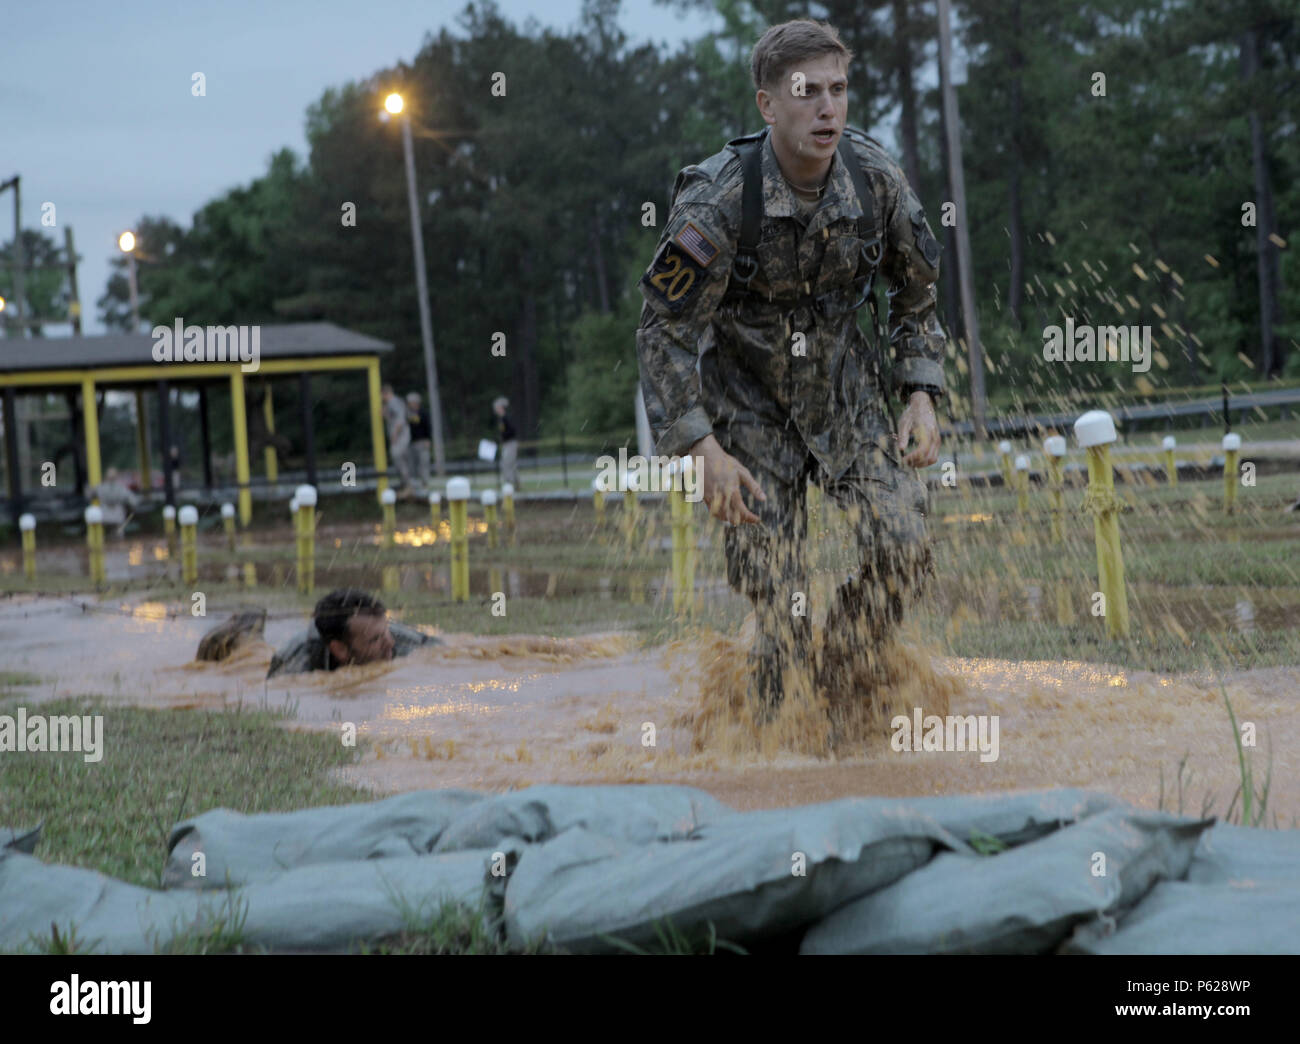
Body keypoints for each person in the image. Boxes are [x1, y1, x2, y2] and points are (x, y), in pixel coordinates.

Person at [635, 18, 946, 715]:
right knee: (779, 600)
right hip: (745, 411)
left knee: (906, 544)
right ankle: (777, 739)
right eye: (807, 92)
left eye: (838, 90)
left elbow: (917, 292)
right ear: (767, 104)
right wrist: (700, 449)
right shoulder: (718, 200)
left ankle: (847, 675)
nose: (827, 107)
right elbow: (664, 334)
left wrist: (920, 392)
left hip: (845, 396)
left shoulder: (875, 181)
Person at [266, 588, 440, 679]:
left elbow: (442, 653)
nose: (390, 643)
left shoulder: (397, 638)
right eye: (375, 640)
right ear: (340, 649)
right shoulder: (294, 665)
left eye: (386, 631)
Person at [381, 384, 412, 496]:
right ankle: (404, 485)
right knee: (397, 459)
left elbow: (400, 420)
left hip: (400, 436)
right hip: (399, 436)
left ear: (385, 393)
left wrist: (394, 434)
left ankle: (407, 486)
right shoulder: (391, 404)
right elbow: (392, 419)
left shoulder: (394, 402)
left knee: (397, 456)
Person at [93, 467, 140, 537]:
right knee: (118, 534)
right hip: (118, 515)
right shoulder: (121, 488)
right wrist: (133, 507)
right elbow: (132, 500)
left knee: (104, 536)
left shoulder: (100, 487)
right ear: (116, 476)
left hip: (104, 516)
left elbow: (90, 494)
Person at [406, 391, 432, 493]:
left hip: (422, 442)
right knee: (412, 465)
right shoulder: (408, 414)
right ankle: (414, 485)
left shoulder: (423, 413)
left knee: (423, 463)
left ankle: (425, 484)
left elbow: (428, 426)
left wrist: (428, 439)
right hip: (411, 443)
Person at [493, 396, 520, 490]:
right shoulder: (501, 419)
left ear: (501, 408)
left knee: (506, 464)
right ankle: (516, 484)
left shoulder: (506, 418)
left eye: (497, 408)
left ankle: (509, 484)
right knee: (511, 464)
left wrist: (504, 436)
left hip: (510, 443)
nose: (496, 410)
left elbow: (512, 430)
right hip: (506, 444)